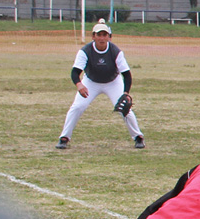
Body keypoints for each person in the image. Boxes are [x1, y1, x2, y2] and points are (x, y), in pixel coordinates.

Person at [57, 19, 145, 149]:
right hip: (91, 81)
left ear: (109, 37)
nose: (102, 38)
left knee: (124, 109)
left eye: (105, 35)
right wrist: (79, 84)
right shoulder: (85, 51)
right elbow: (75, 72)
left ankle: (138, 137)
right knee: (77, 107)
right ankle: (64, 138)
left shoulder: (116, 51)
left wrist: (126, 94)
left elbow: (126, 74)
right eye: (99, 35)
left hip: (113, 82)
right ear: (93, 36)